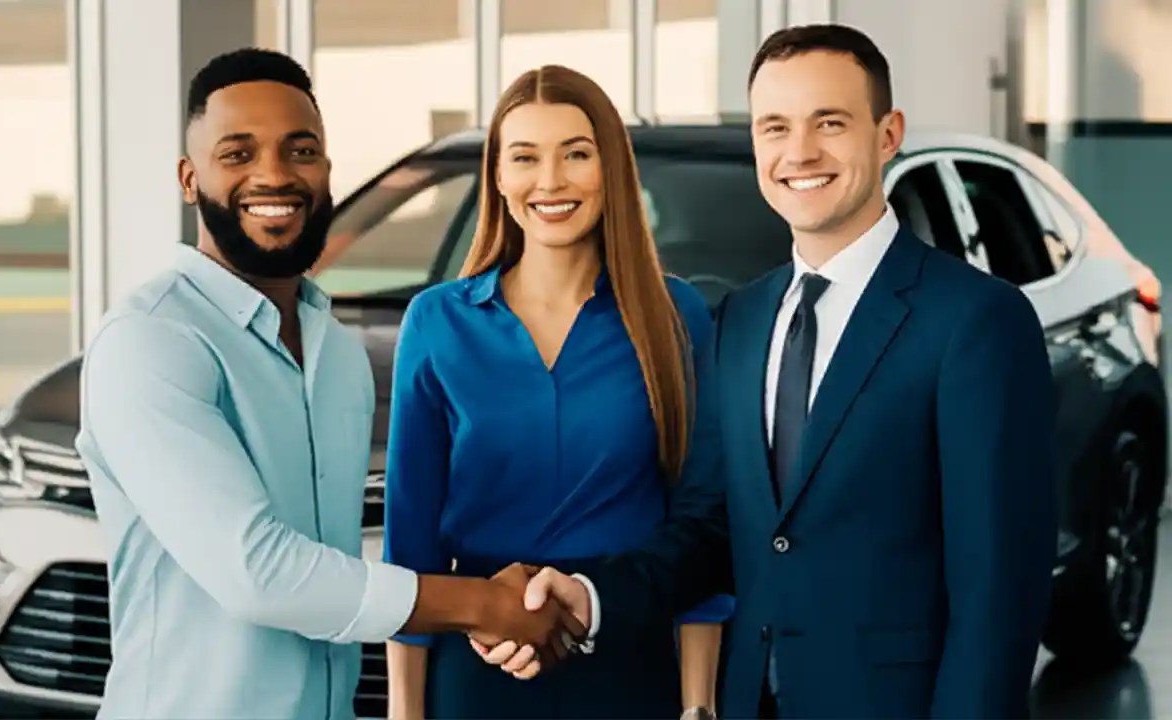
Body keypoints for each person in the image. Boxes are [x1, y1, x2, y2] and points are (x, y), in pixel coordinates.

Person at [479, 24, 1059, 719]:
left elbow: (999, 593)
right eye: (775, 127)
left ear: (888, 135)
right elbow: (711, 532)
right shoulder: (743, 321)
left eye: (829, 123)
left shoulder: (976, 321)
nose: (799, 152)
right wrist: (589, 595)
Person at [75, 48, 582, 720]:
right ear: (189, 179)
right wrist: (481, 604)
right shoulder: (150, 340)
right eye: (238, 153)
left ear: (327, 170)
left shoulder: (336, 353)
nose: (274, 174)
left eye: (301, 150)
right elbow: (259, 573)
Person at [381, 64, 734, 720]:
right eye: (525, 157)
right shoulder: (437, 322)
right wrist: (405, 712)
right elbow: (411, 543)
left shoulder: (674, 317)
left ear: (611, 169)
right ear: (497, 176)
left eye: (575, 154)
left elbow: (700, 527)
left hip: (632, 666)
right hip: (479, 668)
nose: (550, 181)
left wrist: (698, 705)